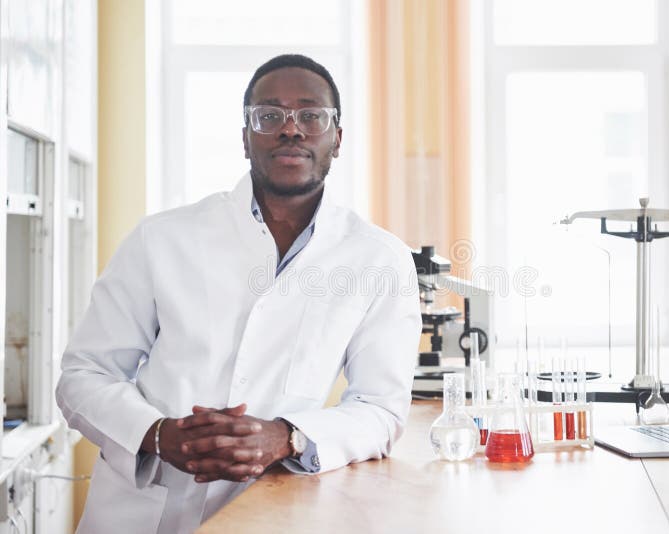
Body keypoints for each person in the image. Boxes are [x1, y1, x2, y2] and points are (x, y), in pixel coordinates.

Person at [56, 54, 422, 533]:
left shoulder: (379, 259)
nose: (291, 129)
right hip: (139, 512)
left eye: (311, 115)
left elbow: (381, 408)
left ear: (338, 137)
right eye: (269, 116)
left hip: (277, 510)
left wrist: (287, 437)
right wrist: (157, 435)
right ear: (245, 138)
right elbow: (83, 375)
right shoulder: (162, 238)